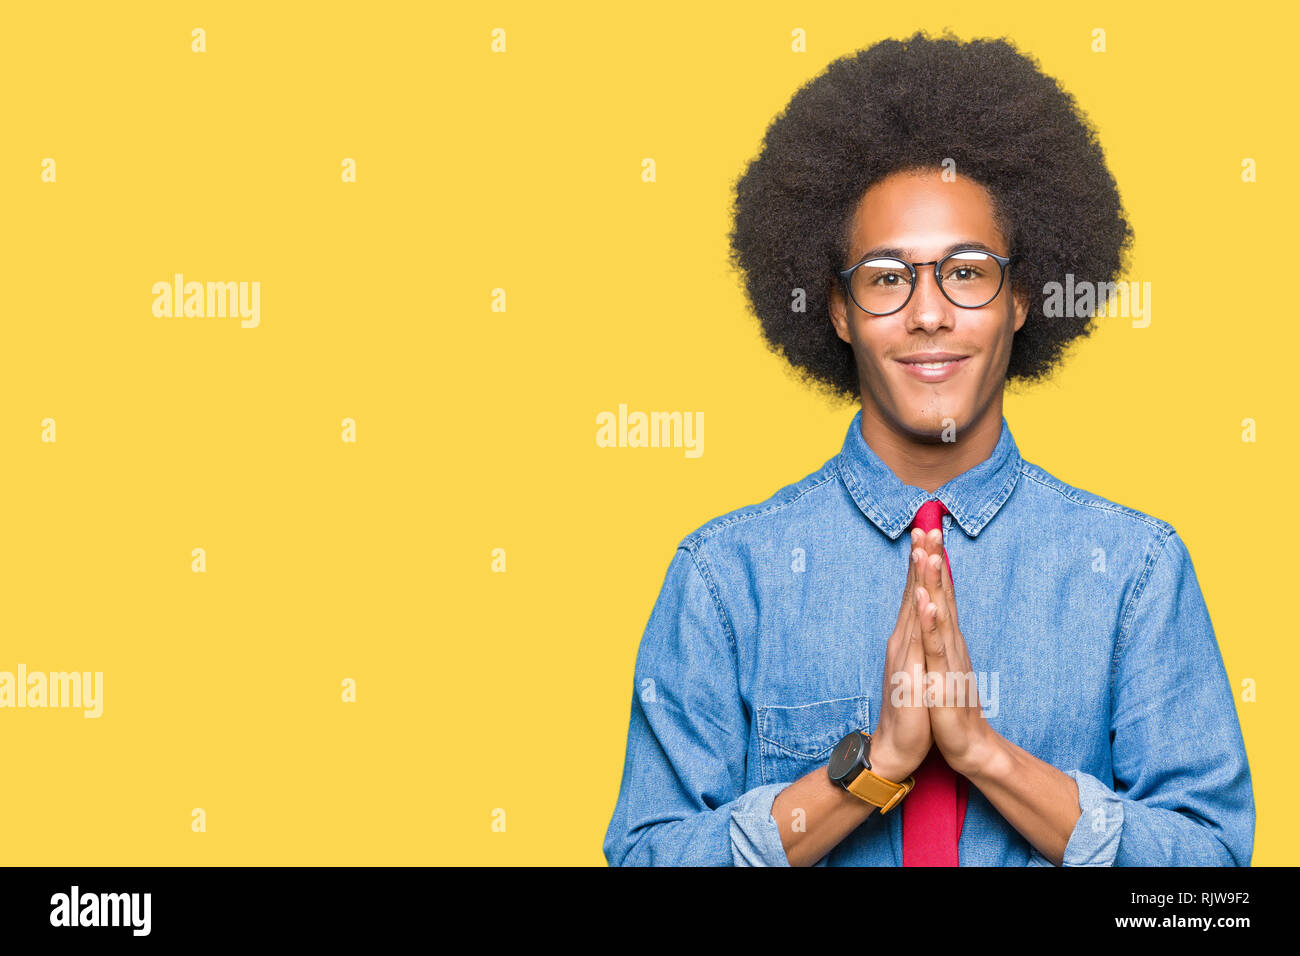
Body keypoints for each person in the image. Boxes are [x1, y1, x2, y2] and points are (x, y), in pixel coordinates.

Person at [601, 30, 1254, 866]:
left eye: (968, 271)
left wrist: (985, 755)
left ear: (1020, 296)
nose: (929, 313)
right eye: (886, 277)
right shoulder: (726, 578)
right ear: (838, 312)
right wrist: (874, 768)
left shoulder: (1135, 572)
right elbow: (647, 855)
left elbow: (1210, 885)